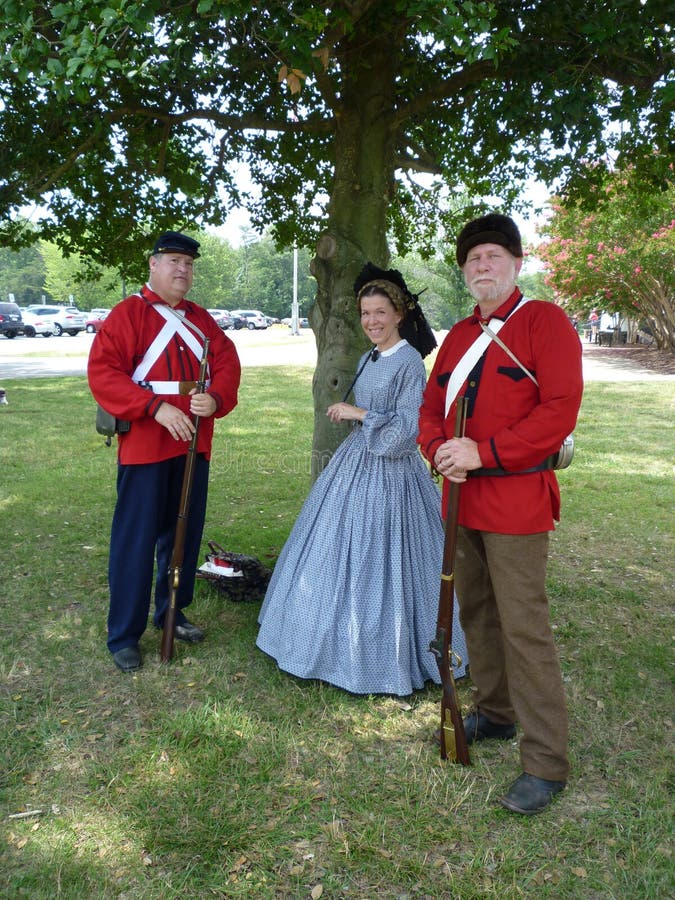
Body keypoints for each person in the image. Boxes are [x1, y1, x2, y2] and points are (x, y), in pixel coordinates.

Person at [418, 213, 583, 815]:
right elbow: (432, 405)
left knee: (524, 627)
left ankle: (545, 762)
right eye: (472, 260)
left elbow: (558, 411)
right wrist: (438, 448)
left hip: (516, 498)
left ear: (515, 263)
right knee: (477, 611)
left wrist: (482, 451)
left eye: (492, 256)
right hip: (461, 497)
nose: (481, 267)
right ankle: (495, 711)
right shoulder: (459, 336)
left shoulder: (545, 322)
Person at [256, 263, 468, 696]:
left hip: (393, 474)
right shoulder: (370, 355)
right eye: (365, 313)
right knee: (331, 548)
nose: (371, 321)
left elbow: (408, 430)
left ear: (398, 315)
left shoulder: (409, 360)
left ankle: (384, 653)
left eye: (380, 313)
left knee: (385, 557)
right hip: (355, 463)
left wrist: (359, 414)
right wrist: (359, 418)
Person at [88, 231, 241, 671]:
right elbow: (104, 374)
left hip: (194, 442)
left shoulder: (200, 319)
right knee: (135, 541)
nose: (182, 270)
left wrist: (215, 399)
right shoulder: (127, 315)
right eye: (173, 261)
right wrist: (153, 408)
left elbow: (227, 363)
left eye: (188, 264)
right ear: (152, 265)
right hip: (145, 444)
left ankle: (172, 612)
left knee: (183, 536)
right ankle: (124, 633)